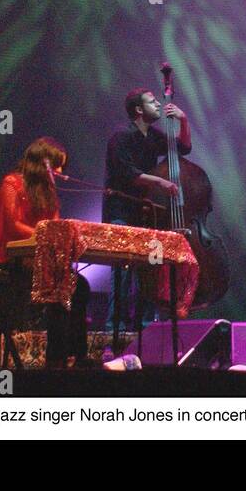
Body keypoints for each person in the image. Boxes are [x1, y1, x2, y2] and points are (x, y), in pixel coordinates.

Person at [0, 136, 90, 367]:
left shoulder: (47, 190)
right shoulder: (11, 183)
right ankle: (56, 359)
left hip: (40, 260)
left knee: (79, 286)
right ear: (42, 162)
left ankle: (76, 355)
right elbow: (13, 224)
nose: (61, 171)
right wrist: (43, 236)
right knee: (59, 290)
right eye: (57, 164)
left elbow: (55, 223)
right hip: (14, 260)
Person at [102, 87, 191, 337]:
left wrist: (183, 120)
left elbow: (182, 148)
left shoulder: (153, 136)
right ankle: (115, 329)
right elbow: (125, 173)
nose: (159, 105)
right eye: (153, 102)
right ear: (139, 110)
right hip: (121, 210)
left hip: (145, 212)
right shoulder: (121, 136)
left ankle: (143, 328)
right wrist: (160, 182)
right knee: (122, 272)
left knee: (149, 272)